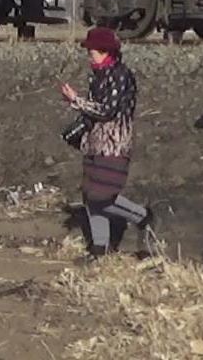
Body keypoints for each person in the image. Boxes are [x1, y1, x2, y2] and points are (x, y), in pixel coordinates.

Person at [62, 26, 156, 260]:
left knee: (101, 196)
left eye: (91, 49)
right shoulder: (99, 75)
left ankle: (141, 216)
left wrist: (77, 101)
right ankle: (99, 249)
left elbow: (107, 111)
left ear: (104, 51)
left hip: (114, 144)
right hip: (95, 143)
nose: (88, 54)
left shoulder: (120, 75)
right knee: (90, 195)